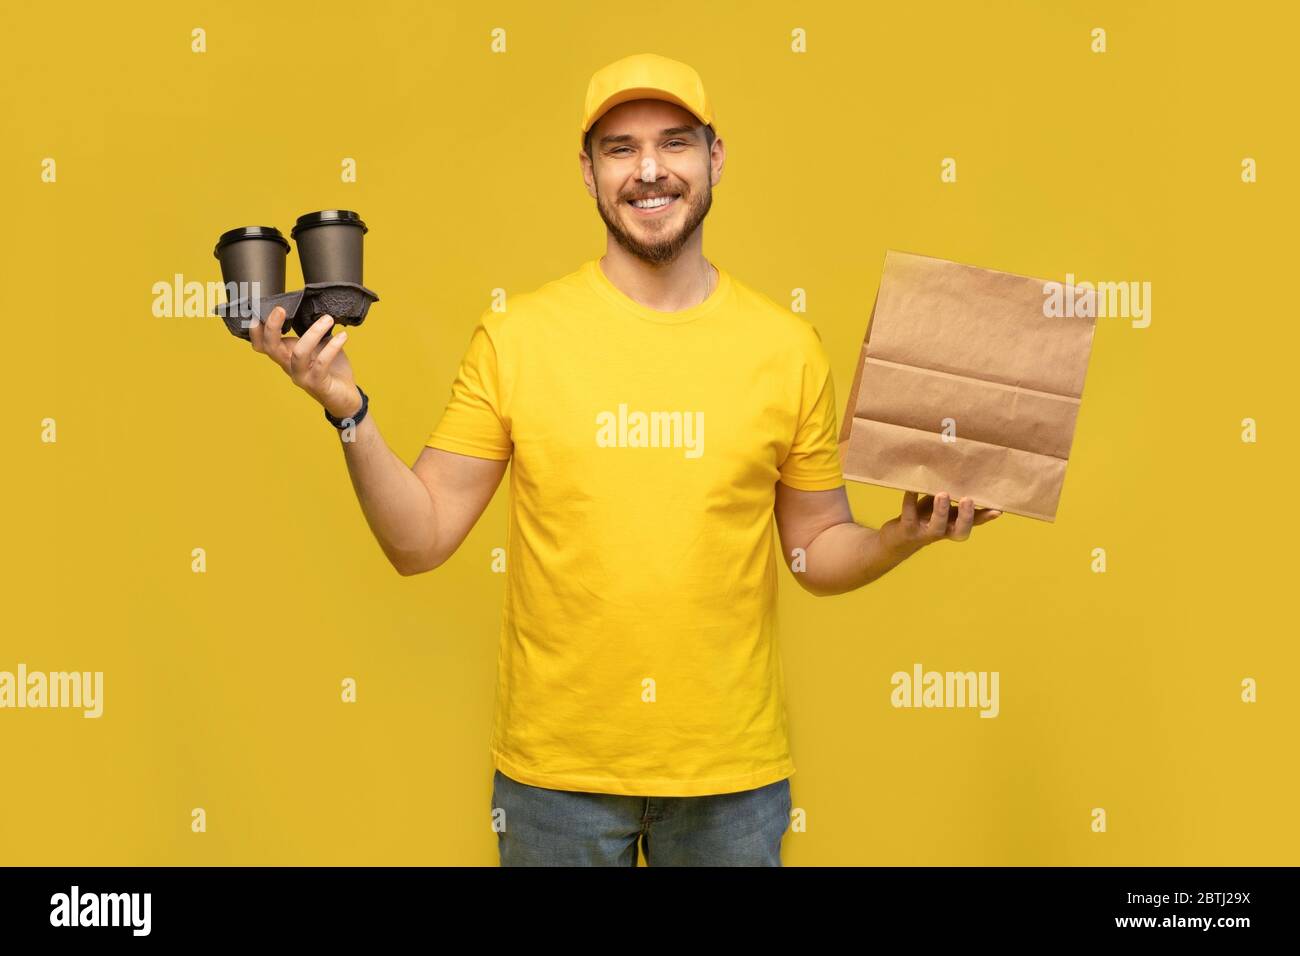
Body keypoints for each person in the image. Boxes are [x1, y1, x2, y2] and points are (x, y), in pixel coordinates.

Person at [245, 53, 1001, 866]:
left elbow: (813, 550)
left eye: (674, 143)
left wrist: (900, 536)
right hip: (554, 783)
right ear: (588, 170)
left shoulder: (787, 348)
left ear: (715, 158)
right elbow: (418, 540)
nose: (649, 170)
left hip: (731, 781)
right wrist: (349, 412)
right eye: (620, 148)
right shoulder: (519, 338)